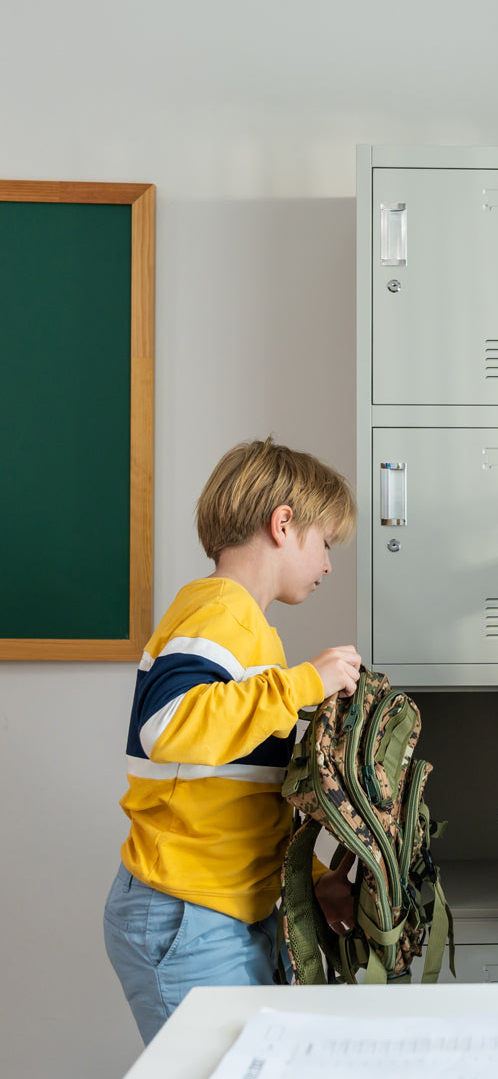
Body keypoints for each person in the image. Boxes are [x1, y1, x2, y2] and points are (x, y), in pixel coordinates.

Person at [104, 437, 365, 1043]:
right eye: (325, 543)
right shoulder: (219, 612)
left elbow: (247, 805)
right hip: (186, 912)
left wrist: (317, 872)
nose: (328, 564)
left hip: (221, 910)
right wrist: (303, 682)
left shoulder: (252, 633)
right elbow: (164, 724)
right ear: (283, 525)